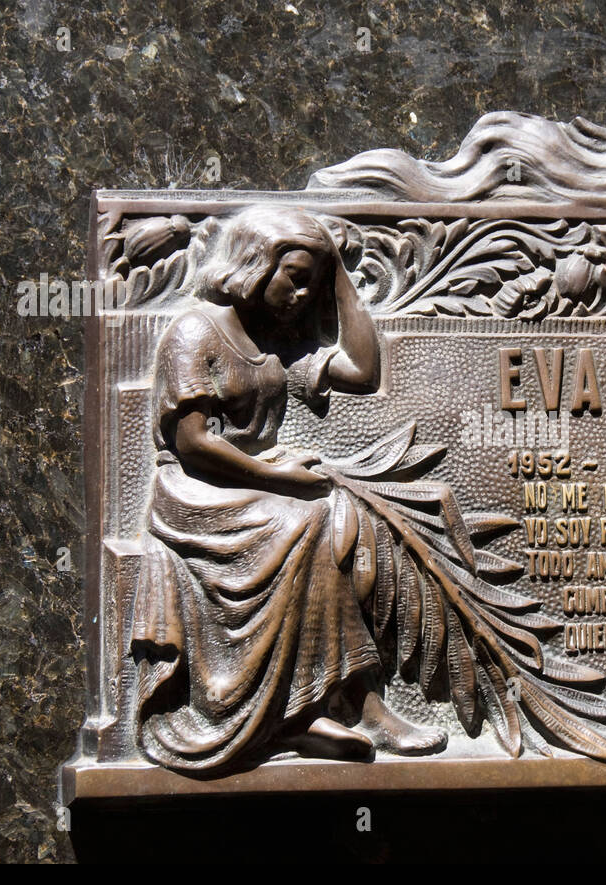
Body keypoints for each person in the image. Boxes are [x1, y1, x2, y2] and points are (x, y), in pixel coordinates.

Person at [129, 206, 445, 772]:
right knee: (309, 521)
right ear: (254, 264)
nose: (303, 294)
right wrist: (278, 475)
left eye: (312, 285)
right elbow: (193, 442)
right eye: (295, 277)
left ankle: (341, 706)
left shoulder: (276, 344)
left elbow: (362, 371)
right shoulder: (195, 331)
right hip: (195, 492)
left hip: (253, 487)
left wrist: (340, 279)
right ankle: (318, 713)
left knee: (339, 517)